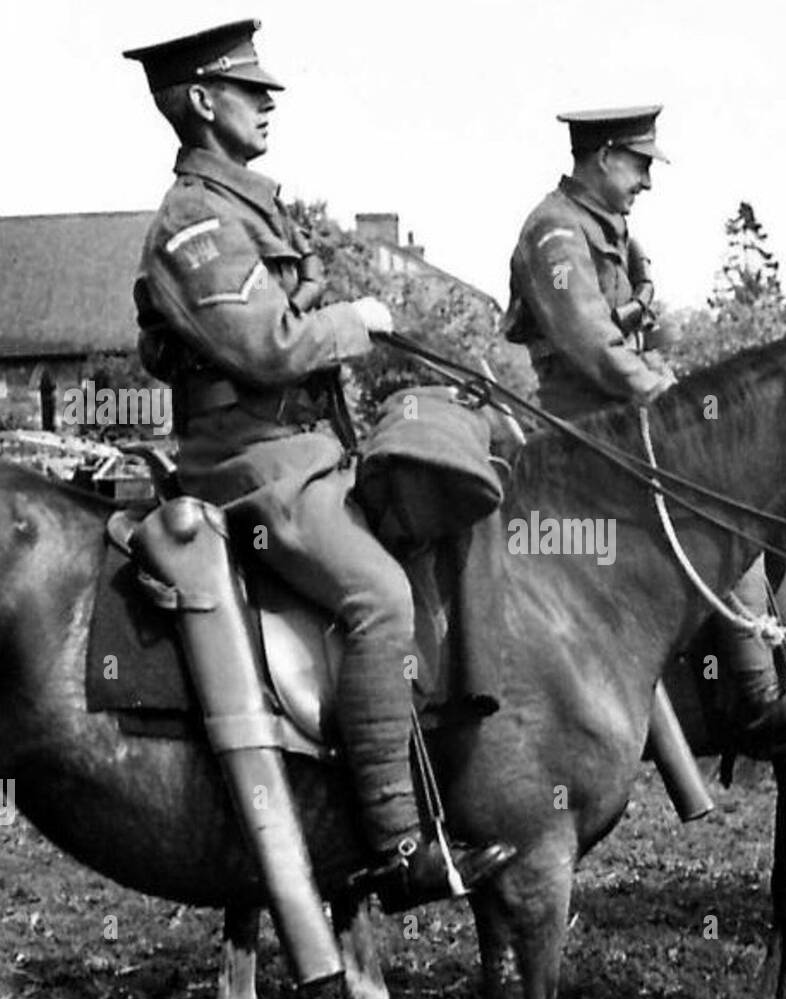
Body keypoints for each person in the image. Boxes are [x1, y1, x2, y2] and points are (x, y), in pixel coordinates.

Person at [124, 20, 513, 910]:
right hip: (248, 461)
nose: (267, 103)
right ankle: (395, 848)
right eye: (248, 90)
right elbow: (265, 347)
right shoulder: (195, 221)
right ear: (199, 103)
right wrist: (354, 321)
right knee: (378, 597)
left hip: (298, 445)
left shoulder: (244, 204)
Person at [503, 107, 786, 752]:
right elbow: (592, 345)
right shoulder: (555, 232)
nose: (647, 181)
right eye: (640, 164)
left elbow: (643, 333)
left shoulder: (610, 232)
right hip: (584, 433)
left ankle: (749, 683)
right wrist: (675, 406)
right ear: (605, 156)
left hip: (621, 421)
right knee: (718, 510)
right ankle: (754, 705)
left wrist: (667, 374)